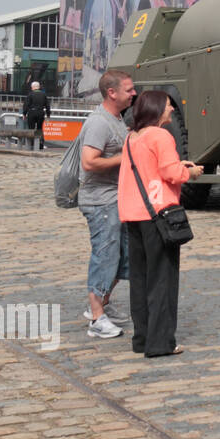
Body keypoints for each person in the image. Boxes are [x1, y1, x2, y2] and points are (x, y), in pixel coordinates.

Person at [118, 90, 202, 357]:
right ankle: (161, 342)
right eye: (168, 106)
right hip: (158, 214)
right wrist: (191, 172)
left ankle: (142, 338)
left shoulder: (132, 138)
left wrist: (178, 164)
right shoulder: (161, 135)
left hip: (133, 214)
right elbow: (170, 172)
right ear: (156, 109)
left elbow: (148, 170)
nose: (172, 110)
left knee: (140, 281)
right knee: (162, 281)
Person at [79, 70, 137, 338]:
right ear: (112, 93)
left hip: (116, 200)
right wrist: (125, 157)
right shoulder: (99, 122)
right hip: (101, 202)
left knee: (123, 256)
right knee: (105, 255)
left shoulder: (117, 118)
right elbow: (89, 162)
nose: (133, 93)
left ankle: (103, 303)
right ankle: (96, 318)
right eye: (128, 89)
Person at [21, 81, 50, 149]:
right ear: (39, 87)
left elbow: (26, 105)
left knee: (31, 129)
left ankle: (32, 145)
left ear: (32, 87)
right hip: (40, 112)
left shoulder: (30, 94)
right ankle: (41, 144)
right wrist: (48, 115)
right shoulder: (43, 95)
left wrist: (24, 114)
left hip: (32, 112)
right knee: (40, 129)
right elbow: (47, 106)